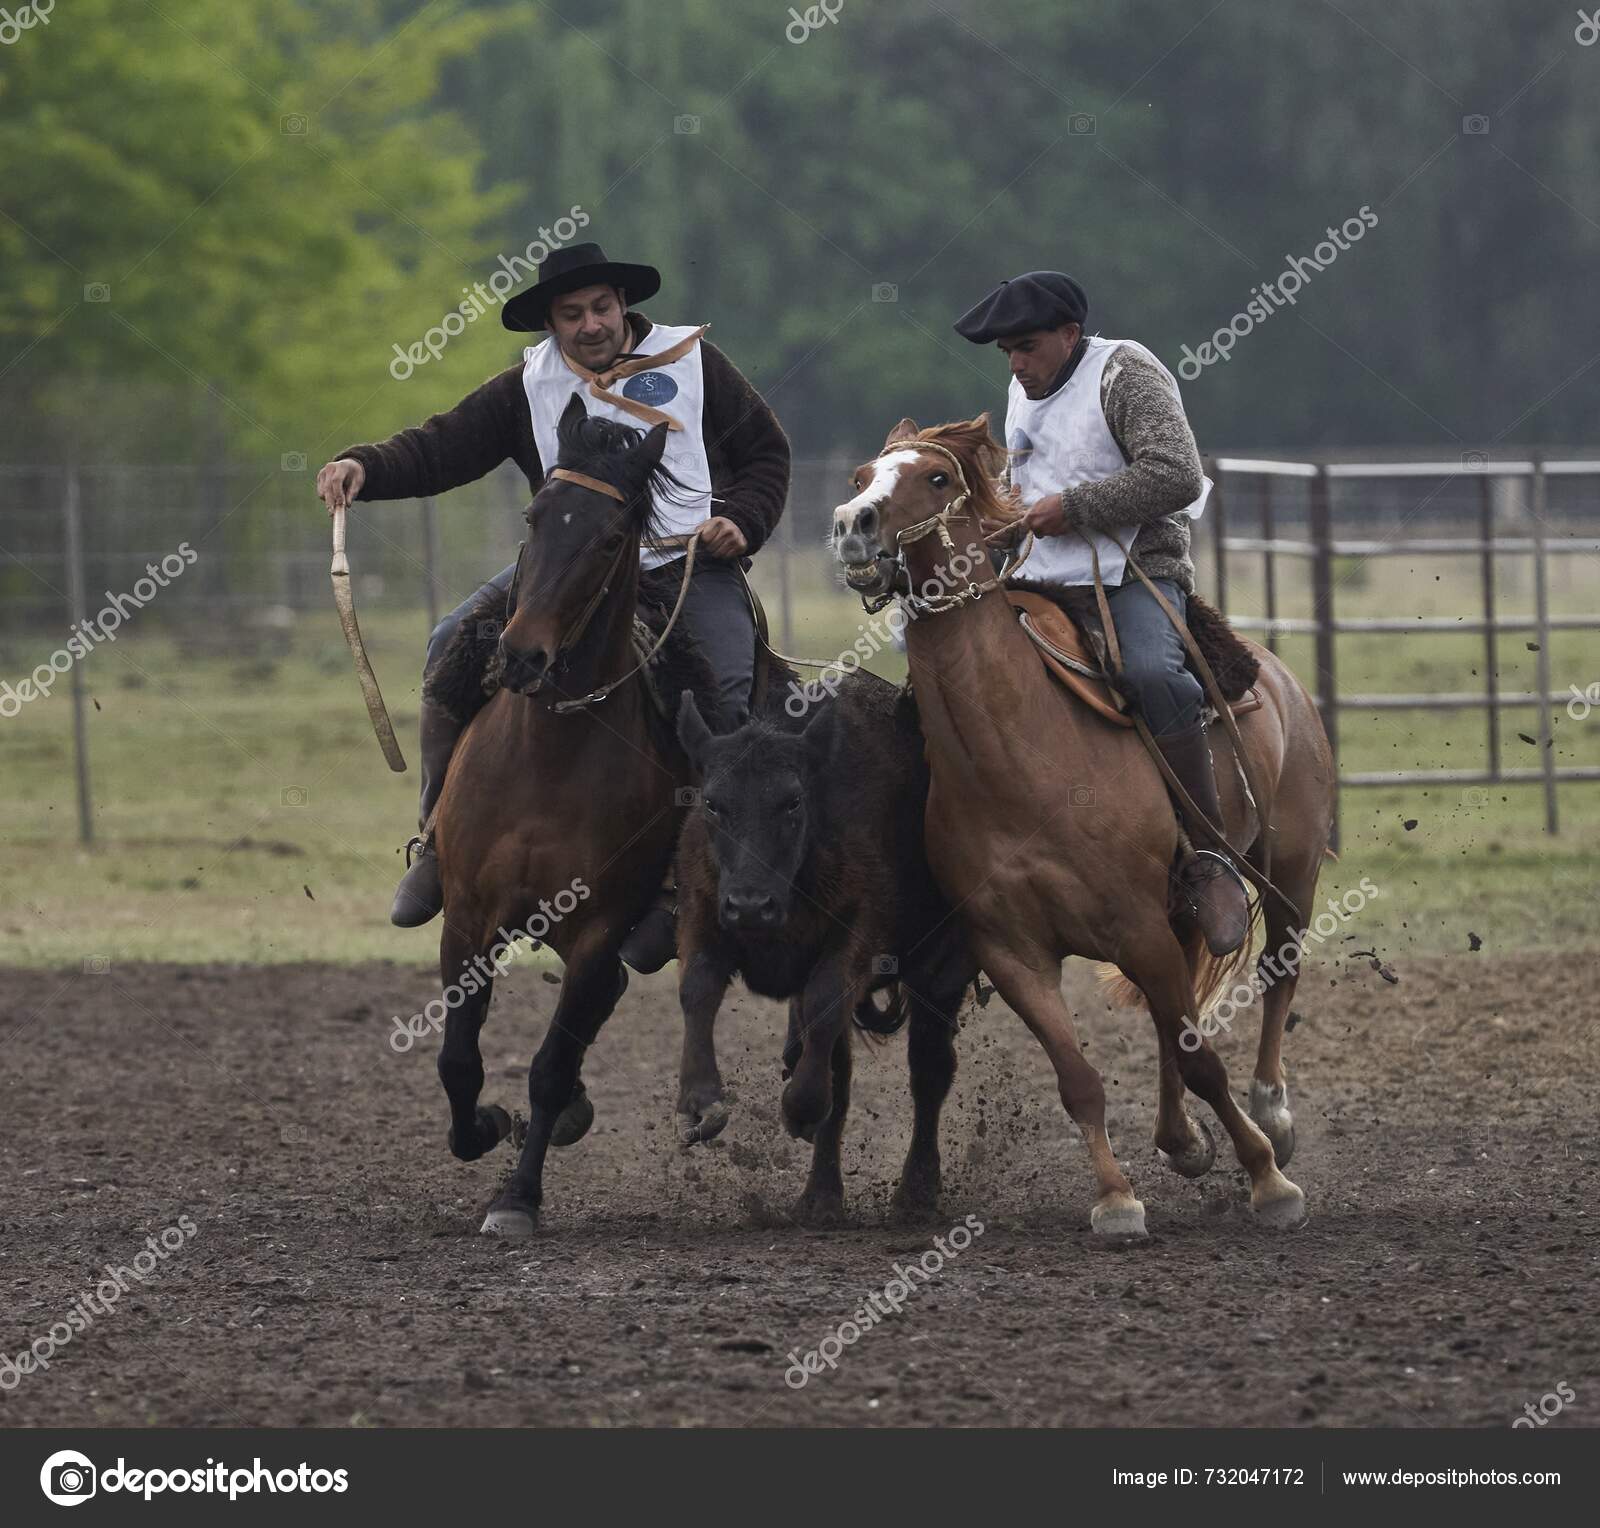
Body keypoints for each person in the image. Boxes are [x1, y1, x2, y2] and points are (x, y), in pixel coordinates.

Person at [317, 243, 790, 965]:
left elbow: (766, 454)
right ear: (551, 322)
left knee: (726, 694)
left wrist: (744, 521)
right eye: (572, 315)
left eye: (600, 307)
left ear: (621, 306)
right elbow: (444, 447)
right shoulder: (526, 385)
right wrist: (364, 466)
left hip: (686, 565)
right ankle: (438, 843)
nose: (591, 325)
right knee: (451, 642)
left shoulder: (694, 362)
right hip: (565, 574)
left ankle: (683, 881)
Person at [953, 270, 1248, 955]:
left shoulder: (1126, 373)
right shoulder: (1023, 389)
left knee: (1149, 671)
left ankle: (1209, 856)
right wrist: (995, 520)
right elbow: (1020, 481)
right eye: (1007, 353)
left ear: (1069, 335)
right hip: (1041, 577)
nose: (1016, 363)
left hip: (1135, 572)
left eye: (1026, 346)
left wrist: (1074, 509)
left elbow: (1177, 472)